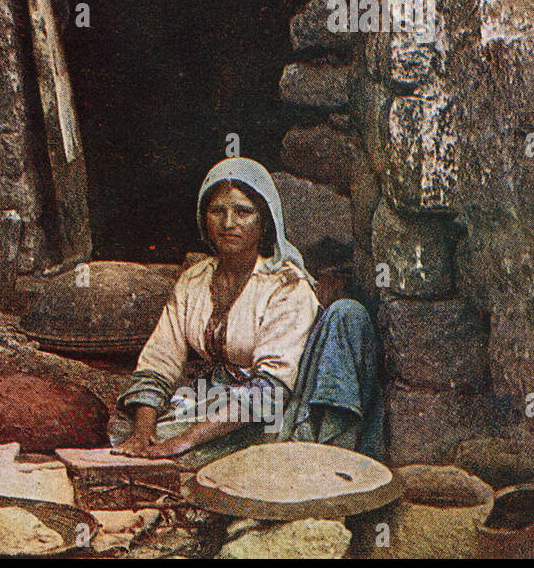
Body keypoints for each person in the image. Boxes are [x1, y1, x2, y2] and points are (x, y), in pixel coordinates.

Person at [111, 157, 383, 467]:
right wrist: (142, 433)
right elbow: (159, 363)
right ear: (204, 220)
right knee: (124, 429)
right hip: (219, 401)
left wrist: (185, 439)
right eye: (217, 211)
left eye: (243, 212)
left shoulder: (285, 284)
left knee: (187, 451)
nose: (229, 224)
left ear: (264, 222)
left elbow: (271, 392)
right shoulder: (194, 280)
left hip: (276, 408)